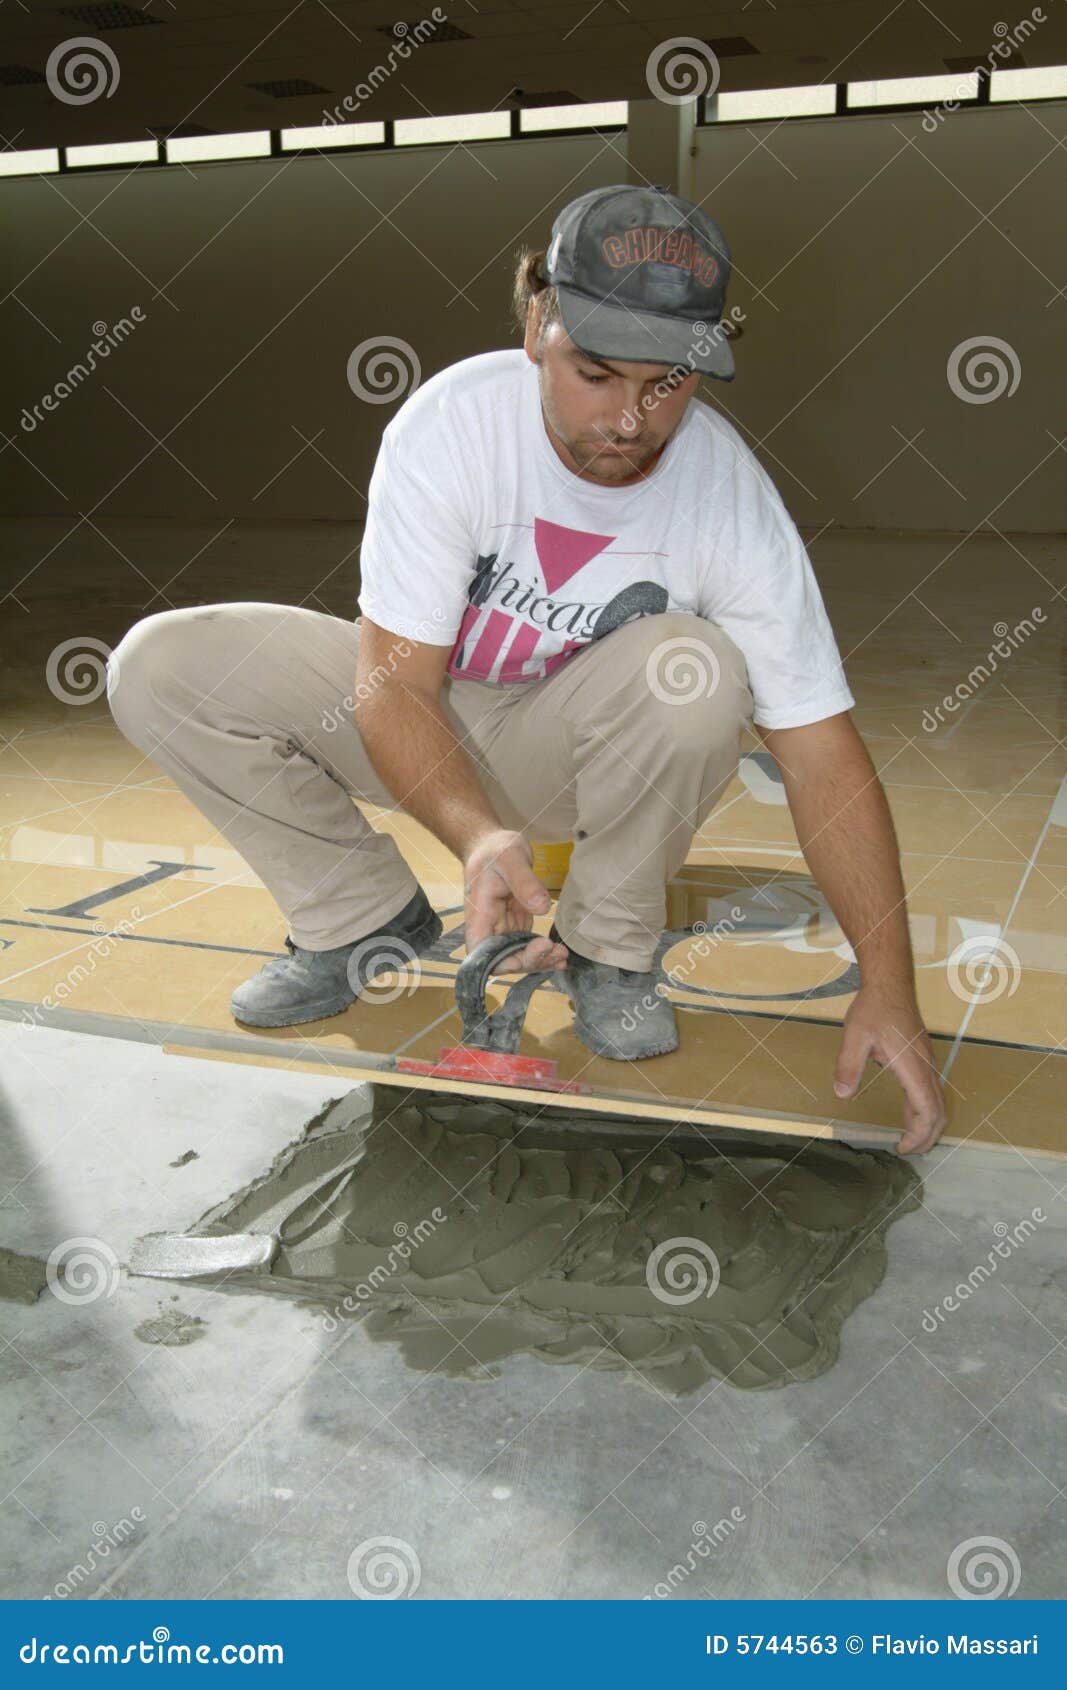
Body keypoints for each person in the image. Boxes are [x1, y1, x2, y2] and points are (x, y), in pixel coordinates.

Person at [107, 183, 947, 1155]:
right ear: (536, 320)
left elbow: (820, 754)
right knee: (160, 665)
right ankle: (354, 920)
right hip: (420, 719)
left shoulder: (723, 493)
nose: (629, 420)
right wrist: (471, 836)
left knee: (699, 670)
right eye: (595, 372)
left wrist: (888, 987)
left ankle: (606, 953)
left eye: (666, 383)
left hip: (577, 747)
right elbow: (394, 686)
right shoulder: (448, 430)